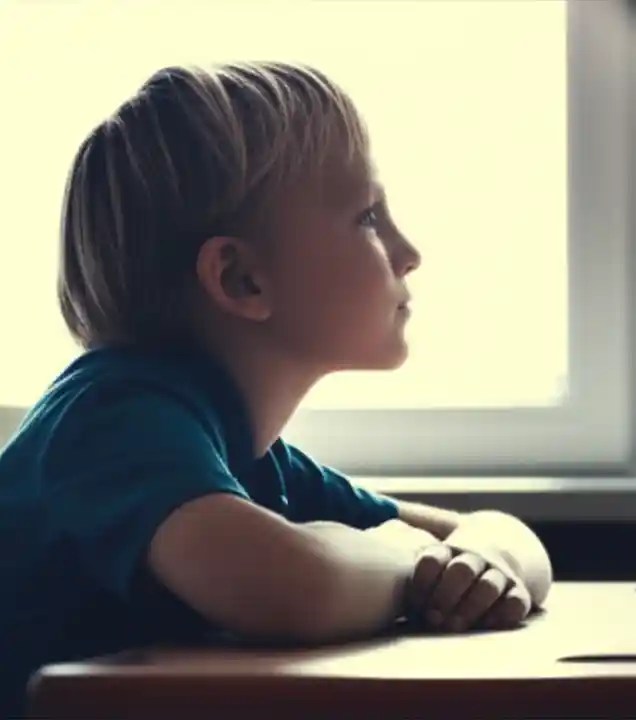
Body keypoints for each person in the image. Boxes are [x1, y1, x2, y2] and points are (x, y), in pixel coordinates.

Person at [0, 62, 552, 718]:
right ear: (242, 280)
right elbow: (288, 585)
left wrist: (484, 559)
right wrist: (418, 568)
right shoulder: (112, 421)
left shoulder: (248, 455)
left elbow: (500, 535)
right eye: (369, 217)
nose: (409, 252)